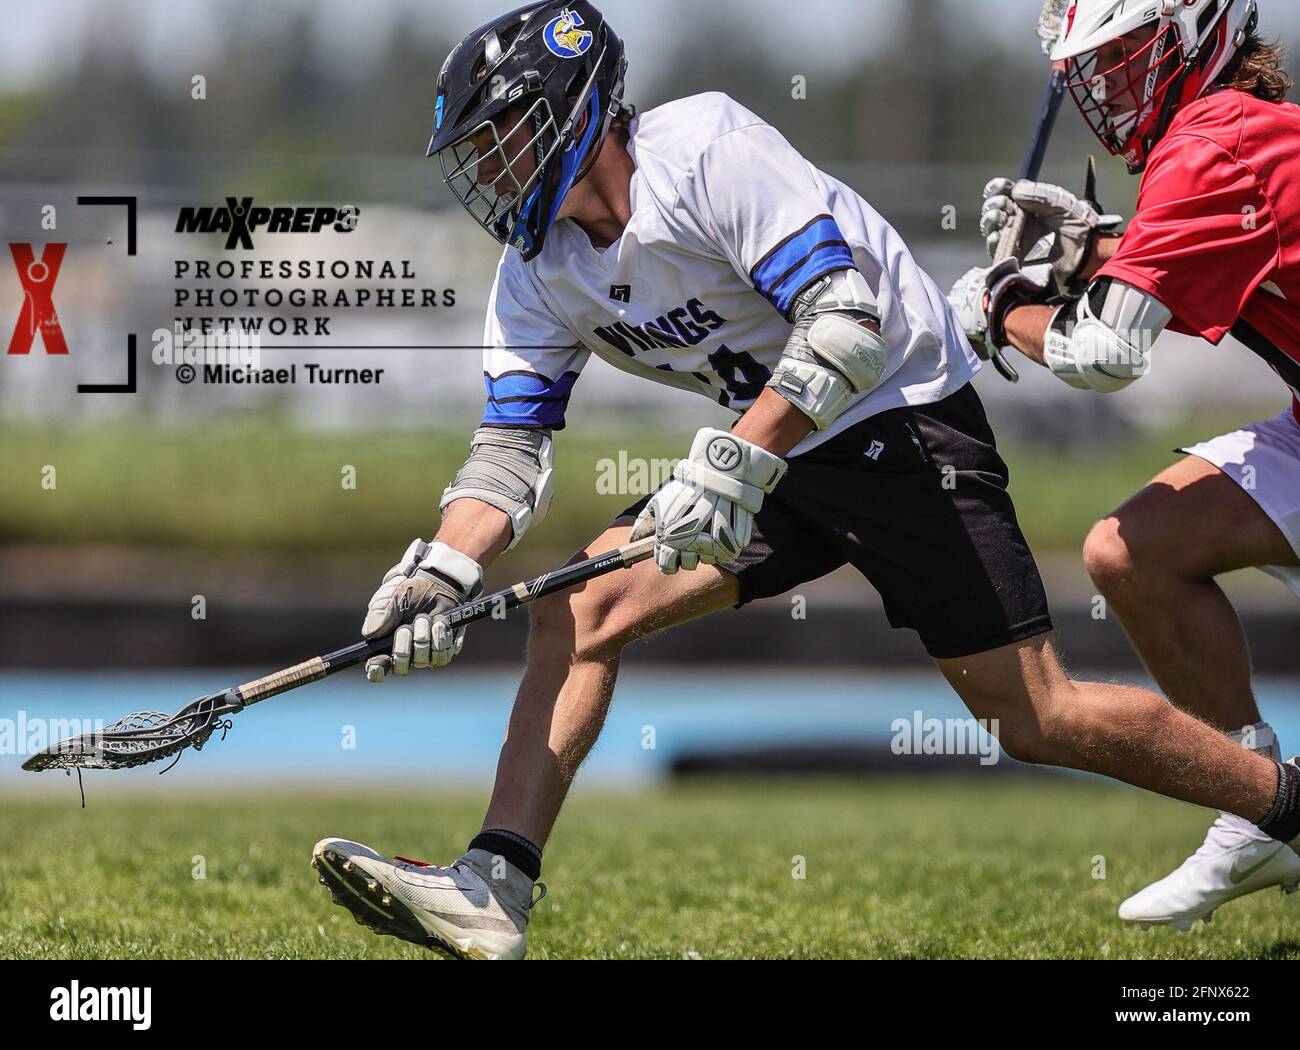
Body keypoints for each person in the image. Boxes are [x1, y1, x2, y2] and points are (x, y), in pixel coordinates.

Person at [311, 0, 1300, 959]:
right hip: (774, 452)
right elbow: (506, 453)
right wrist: (441, 570)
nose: (490, 171)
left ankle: (1283, 805)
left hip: (901, 427)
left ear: (573, 113)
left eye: (505, 138)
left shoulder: (703, 149)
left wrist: (740, 460)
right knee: (581, 609)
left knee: (1034, 718)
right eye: (479, 153)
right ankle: (494, 886)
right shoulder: (536, 270)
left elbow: (843, 330)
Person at [950, 0, 1300, 931]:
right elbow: (1214, 267)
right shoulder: (1225, 134)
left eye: (1128, 57)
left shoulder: (1213, 140)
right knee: (1131, 552)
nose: (1107, 89)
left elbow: (1102, 355)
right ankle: (1255, 805)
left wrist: (992, 309)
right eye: (1093, 69)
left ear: (1197, 34)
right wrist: (1083, 251)